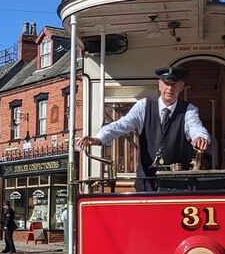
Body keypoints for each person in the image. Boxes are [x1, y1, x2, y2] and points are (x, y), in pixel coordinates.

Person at [77, 66, 210, 191]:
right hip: (147, 184)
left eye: (174, 84)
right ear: (159, 85)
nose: (170, 88)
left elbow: (196, 127)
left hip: (178, 185)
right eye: (166, 84)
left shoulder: (189, 110)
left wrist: (200, 138)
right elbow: (122, 125)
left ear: (181, 87)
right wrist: (99, 138)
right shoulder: (143, 106)